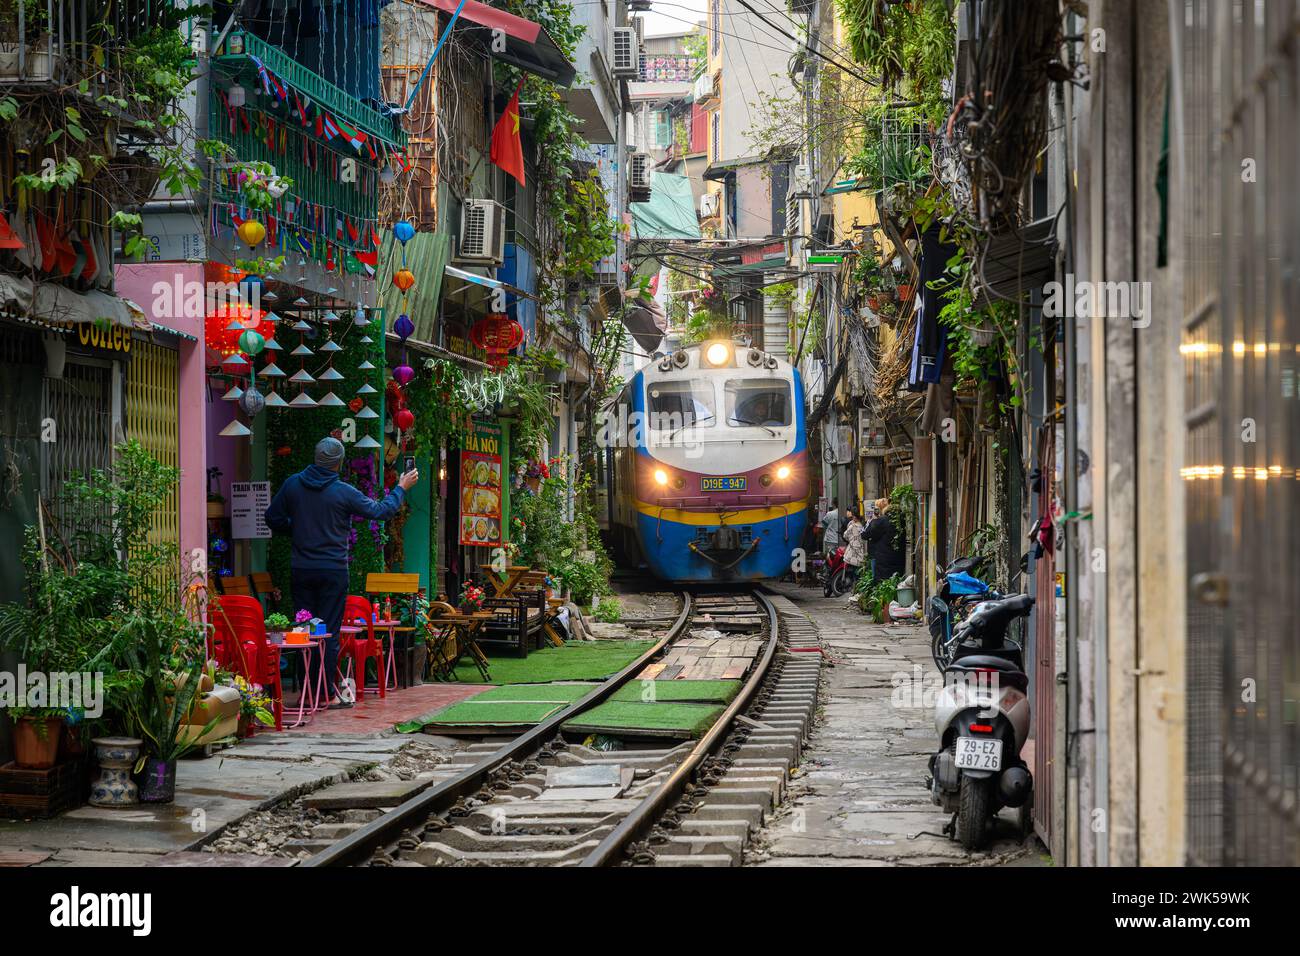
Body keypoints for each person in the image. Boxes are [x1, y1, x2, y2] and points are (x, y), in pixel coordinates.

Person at [265, 437, 418, 708]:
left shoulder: (293, 484)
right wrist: (401, 488)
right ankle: (324, 693)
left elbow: (272, 518)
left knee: (304, 631)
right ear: (339, 463)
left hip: (302, 570)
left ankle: (307, 692)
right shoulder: (343, 491)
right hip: (333, 571)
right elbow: (381, 511)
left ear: (315, 457)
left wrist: (299, 530)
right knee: (328, 631)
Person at [864, 496, 906, 580]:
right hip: (899, 559)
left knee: (882, 581)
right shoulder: (901, 519)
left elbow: (865, 534)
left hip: (883, 560)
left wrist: (873, 520)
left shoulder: (881, 521)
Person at [842, 508, 866, 582]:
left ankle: (852, 586)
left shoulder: (852, 526)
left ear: (855, 517)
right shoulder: (862, 527)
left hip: (852, 553)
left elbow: (845, 535)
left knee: (852, 571)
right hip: (860, 552)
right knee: (858, 572)